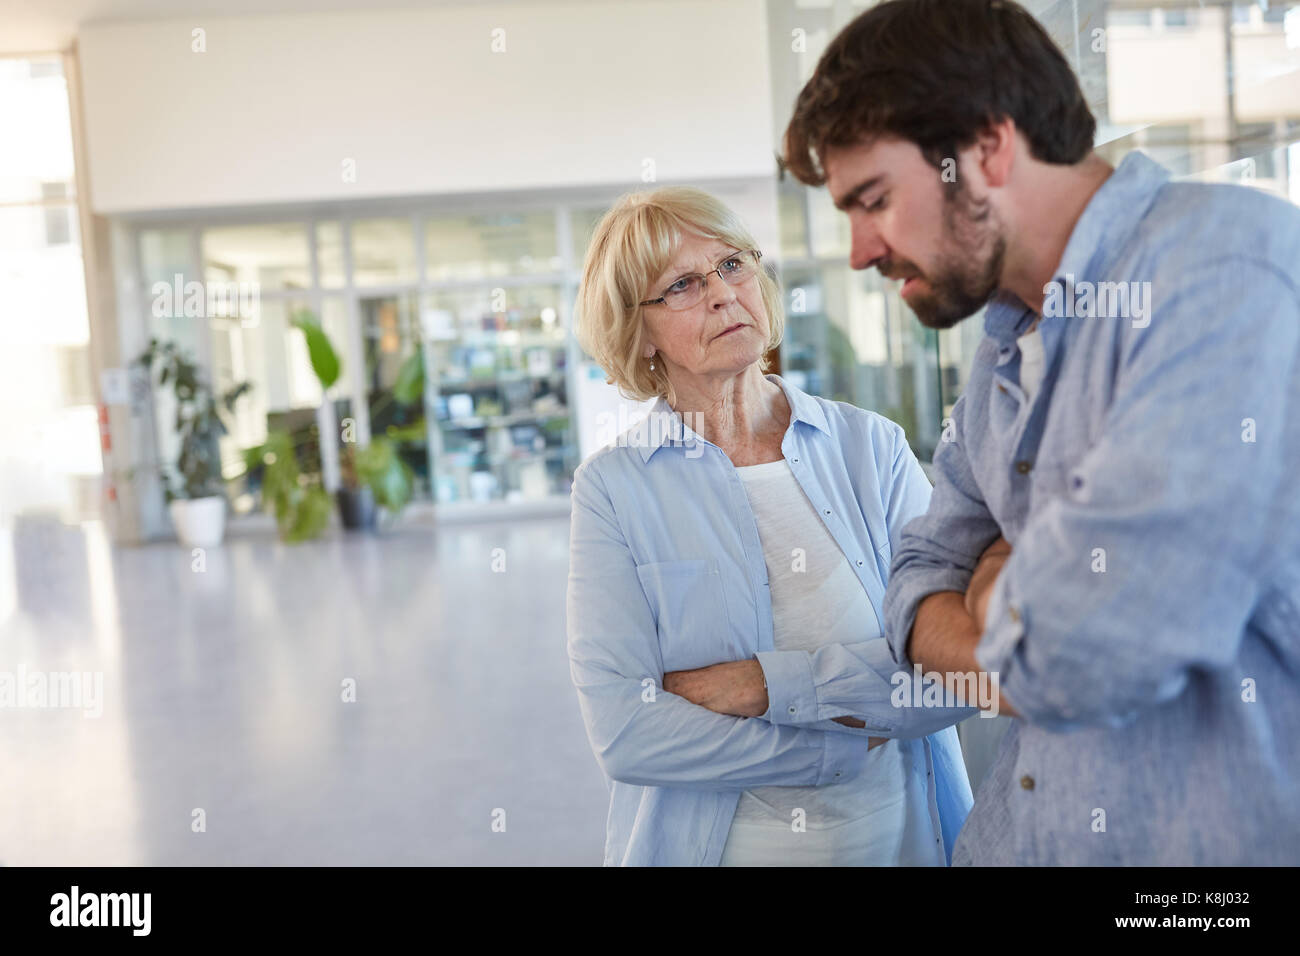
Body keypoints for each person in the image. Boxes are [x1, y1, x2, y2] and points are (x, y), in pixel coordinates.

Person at [781, 0, 1300, 864]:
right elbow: (912, 584)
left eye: (872, 200)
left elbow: (1081, 657)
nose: (859, 252)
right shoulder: (1003, 340)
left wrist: (991, 596)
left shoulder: (1221, 274)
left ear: (986, 148)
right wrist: (1012, 595)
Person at [565, 186, 976, 866]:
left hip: (904, 841)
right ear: (637, 334)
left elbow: (958, 670)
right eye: (683, 284)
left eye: (733, 264)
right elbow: (628, 731)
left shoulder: (868, 447)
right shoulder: (615, 489)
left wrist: (764, 685)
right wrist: (838, 743)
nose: (724, 293)